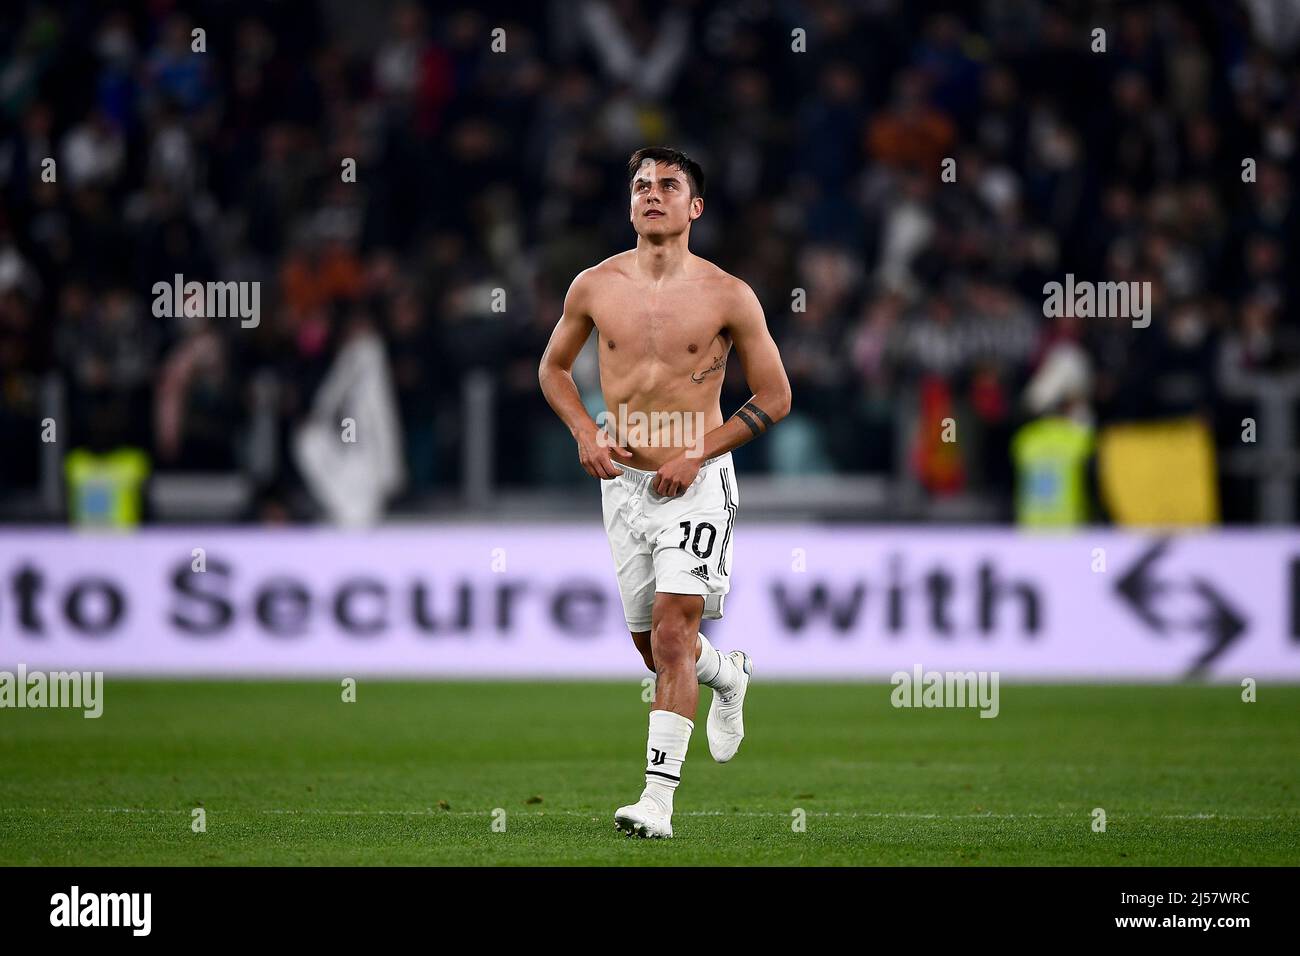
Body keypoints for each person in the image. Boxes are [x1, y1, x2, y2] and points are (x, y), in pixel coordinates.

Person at [538, 147, 792, 838]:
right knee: (655, 652)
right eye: (642, 185)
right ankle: (729, 676)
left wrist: (697, 451)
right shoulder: (593, 285)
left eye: (669, 185)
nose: (653, 194)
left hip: (699, 482)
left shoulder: (728, 294)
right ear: (629, 203)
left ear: (695, 207)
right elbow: (553, 368)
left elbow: (776, 395)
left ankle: (656, 803)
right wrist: (586, 432)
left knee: (676, 635)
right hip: (622, 486)